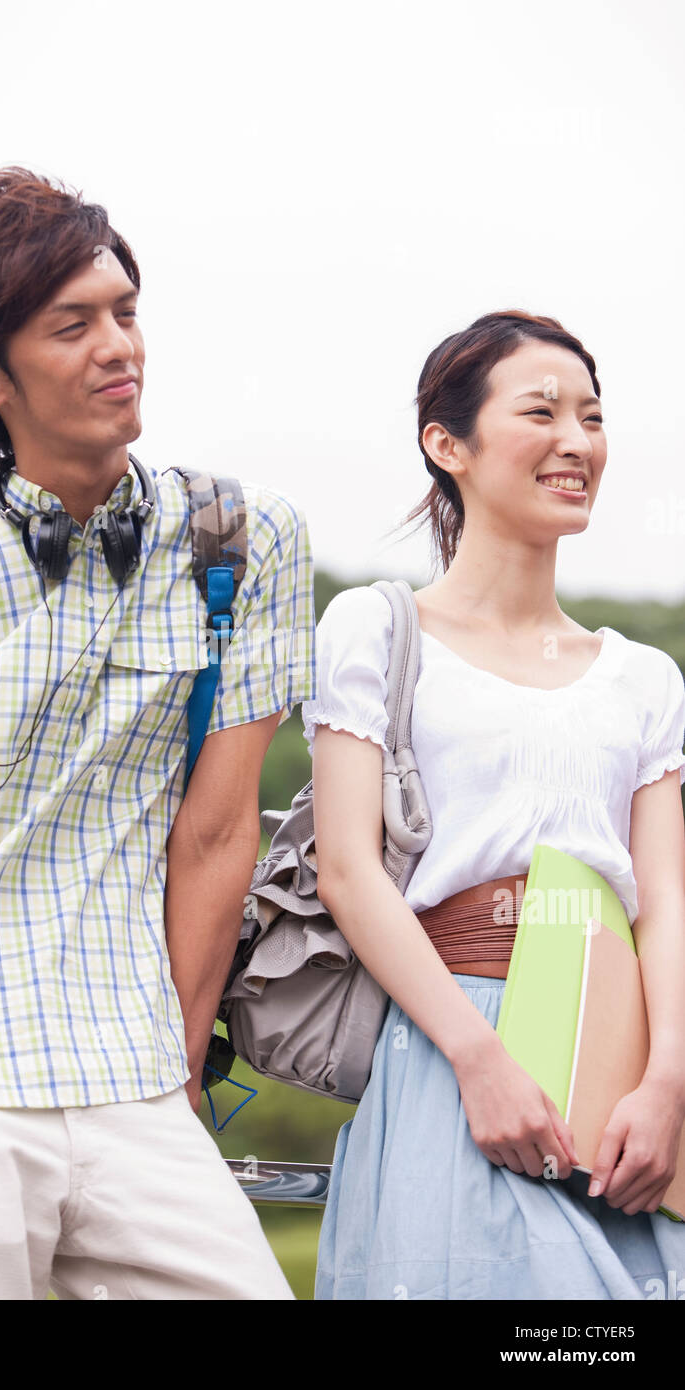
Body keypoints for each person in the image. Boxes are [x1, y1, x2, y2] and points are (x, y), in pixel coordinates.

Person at [0, 166, 315, 1300]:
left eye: (125, 313)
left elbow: (216, 830)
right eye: (72, 325)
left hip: (130, 1070)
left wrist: (180, 1062)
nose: (117, 347)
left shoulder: (238, 546)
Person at [303, 310, 685, 1300]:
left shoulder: (640, 676)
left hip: (621, 1057)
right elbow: (345, 868)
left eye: (590, 417)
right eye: (541, 411)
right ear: (446, 444)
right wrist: (477, 1059)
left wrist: (667, 1082)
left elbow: (663, 901)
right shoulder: (376, 630)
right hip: (449, 1036)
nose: (576, 441)